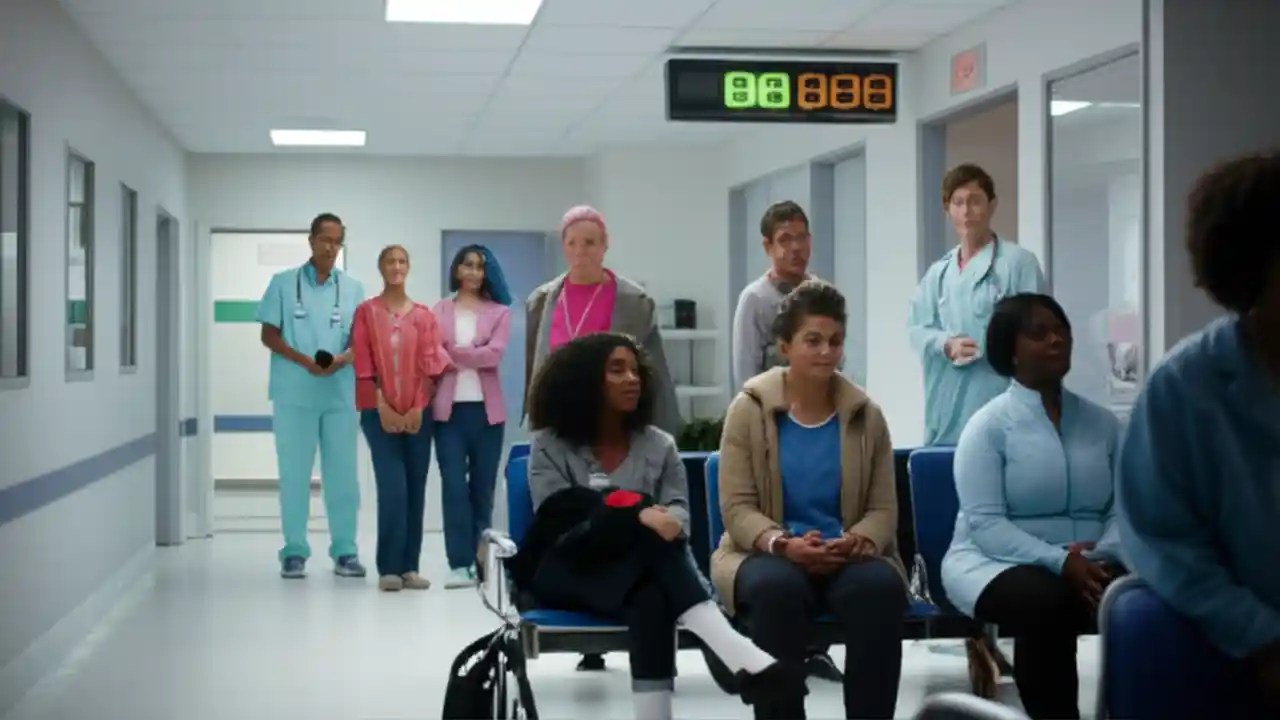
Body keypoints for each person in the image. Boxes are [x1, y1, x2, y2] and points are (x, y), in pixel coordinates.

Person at [513, 333, 804, 720]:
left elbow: (679, 514)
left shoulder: (660, 445)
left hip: (637, 570)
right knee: (645, 531)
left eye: (635, 370)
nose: (632, 378)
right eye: (617, 370)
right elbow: (560, 517)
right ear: (584, 381)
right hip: (567, 569)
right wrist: (635, 512)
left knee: (650, 594)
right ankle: (736, 650)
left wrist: (654, 519)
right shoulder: (549, 445)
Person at [1118, 151, 1280, 717]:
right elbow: (1166, 543)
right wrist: (1263, 638)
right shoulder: (1186, 387)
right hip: (1238, 635)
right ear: (1254, 268)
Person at [715, 280, 909, 720]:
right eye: (813, 341)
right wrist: (783, 544)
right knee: (775, 590)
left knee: (879, 590)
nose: (826, 351)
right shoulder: (748, 411)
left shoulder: (866, 416)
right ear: (785, 346)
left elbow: (883, 509)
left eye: (835, 341)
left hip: (847, 554)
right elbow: (737, 509)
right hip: (768, 552)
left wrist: (856, 540)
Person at [942, 293, 1124, 719]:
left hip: (1092, 558)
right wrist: (1060, 562)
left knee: (1147, 594)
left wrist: (1099, 555)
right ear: (1011, 351)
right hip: (993, 562)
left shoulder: (1104, 424)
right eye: (1039, 333)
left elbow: (1125, 509)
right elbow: (986, 525)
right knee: (1046, 602)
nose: (1056, 340)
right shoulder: (987, 428)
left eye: (1061, 330)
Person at [256, 213, 367, 579]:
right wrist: (301, 359)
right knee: (294, 475)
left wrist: (343, 359)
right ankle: (294, 550)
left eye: (336, 241)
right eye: (324, 239)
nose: (330, 247)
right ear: (311, 240)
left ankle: (346, 550)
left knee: (342, 477)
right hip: (294, 395)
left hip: (339, 394)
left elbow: (358, 338)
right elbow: (268, 334)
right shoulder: (283, 284)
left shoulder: (352, 289)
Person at [908, 163, 1047, 446]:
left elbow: (1039, 330)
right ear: (947, 209)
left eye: (975, 201)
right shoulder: (939, 274)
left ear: (992, 205)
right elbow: (917, 328)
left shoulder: (1018, 263)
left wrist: (995, 343)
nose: (967, 211)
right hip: (947, 415)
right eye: (958, 203)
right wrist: (945, 344)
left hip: (1004, 411)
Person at [525, 205, 680, 435]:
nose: (580, 250)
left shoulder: (634, 302)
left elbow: (653, 371)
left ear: (604, 245)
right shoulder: (541, 300)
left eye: (589, 242)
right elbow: (533, 368)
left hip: (614, 423)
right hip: (557, 422)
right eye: (572, 243)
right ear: (563, 247)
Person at [351, 245, 449, 592]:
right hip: (378, 415)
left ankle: (409, 566)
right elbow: (363, 364)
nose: (396, 266)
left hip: (418, 416)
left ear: (408, 267)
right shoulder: (366, 312)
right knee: (393, 488)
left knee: (415, 489)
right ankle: (389, 567)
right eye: (390, 261)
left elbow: (431, 367)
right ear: (380, 268)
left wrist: (416, 409)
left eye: (402, 261)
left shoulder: (424, 316)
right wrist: (384, 406)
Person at [432, 244, 512, 589]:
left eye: (480, 266)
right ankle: (458, 563)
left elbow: (492, 357)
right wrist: (469, 354)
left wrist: (455, 353)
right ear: (457, 270)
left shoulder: (500, 312)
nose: (474, 272)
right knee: (453, 487)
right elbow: (433, 355)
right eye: (468, 265)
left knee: (482, 488)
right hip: (448, 412)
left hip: (487, 414)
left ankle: (482, 561)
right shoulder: (438, 310)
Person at [732, 200, 816, 389]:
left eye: (801, 238)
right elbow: (746, 376)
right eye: (785, 239)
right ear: (768, 246)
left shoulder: (819, 292)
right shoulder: (755, 298)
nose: (796, 247)